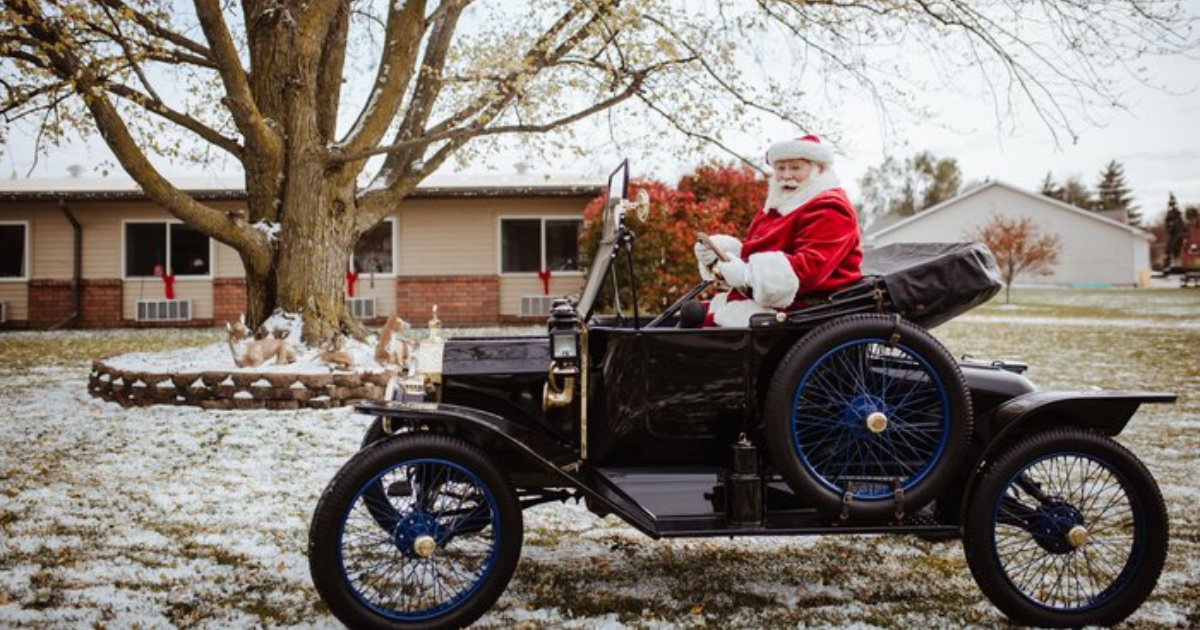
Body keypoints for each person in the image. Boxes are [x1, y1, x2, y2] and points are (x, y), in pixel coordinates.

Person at [694, 135, 863, 327]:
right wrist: (726, 251)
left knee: (699, 330)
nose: (786, 175)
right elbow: (760, 250)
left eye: (795, 168)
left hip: (809, 306)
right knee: (687, 317)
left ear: (819, 169)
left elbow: (810, 269)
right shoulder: (780, 205)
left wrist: (748, 274)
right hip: (769, 301)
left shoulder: (830, 209)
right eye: (781, 168)